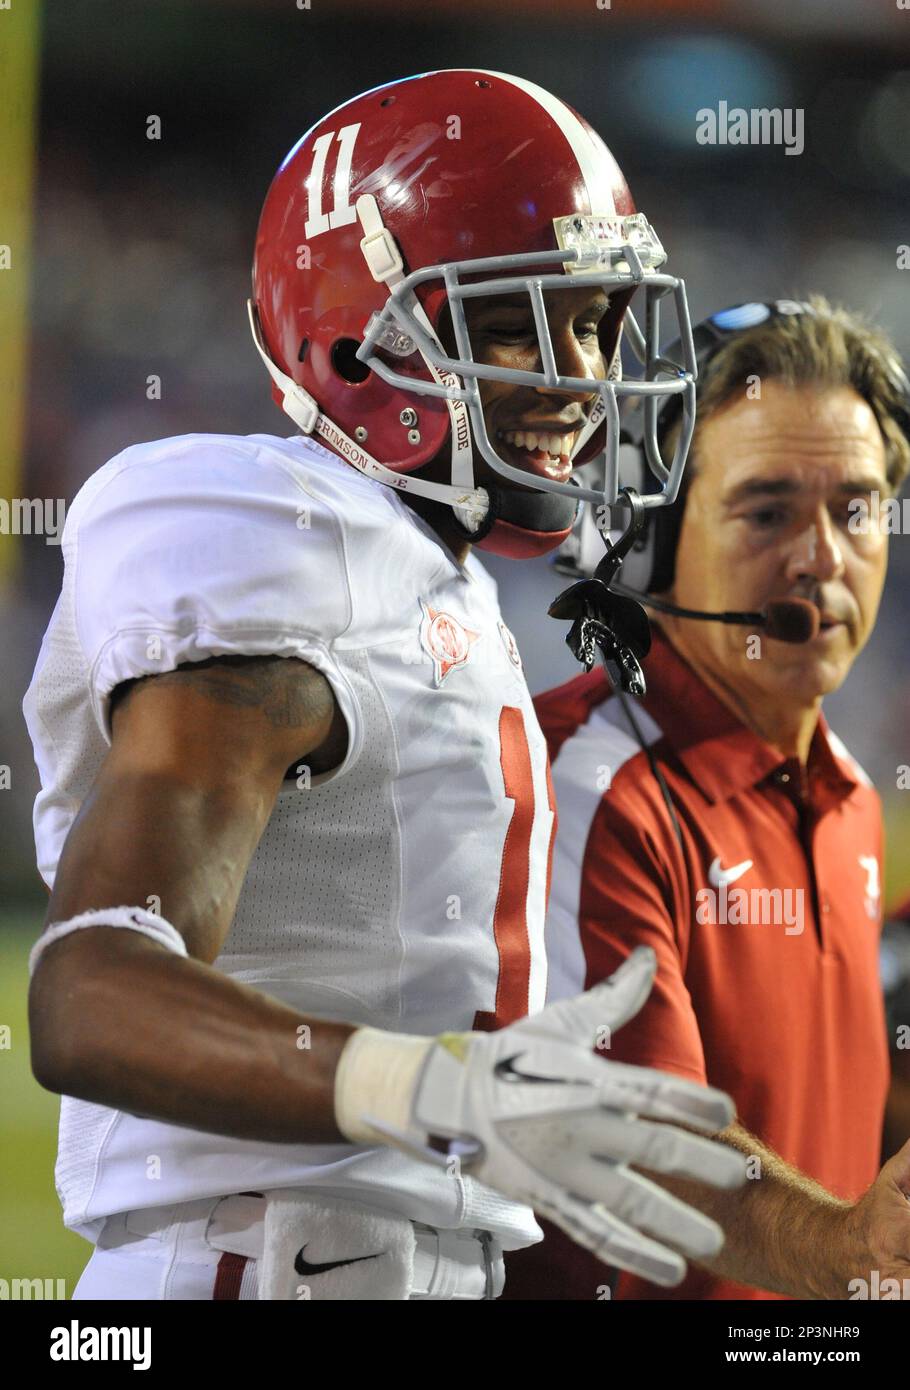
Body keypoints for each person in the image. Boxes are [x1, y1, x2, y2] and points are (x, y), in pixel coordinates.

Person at [23, 70, 744, 1302]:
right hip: (258, 1268)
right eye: (520, 326)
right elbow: (89, 993)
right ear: (360, 342)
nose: (581, 378)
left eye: (596, 322)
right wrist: (428, 1089)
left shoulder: (434, 578)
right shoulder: (286, 534)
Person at [506, 297, 910, 1300]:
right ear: (649, 539)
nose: (822, 556)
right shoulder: (581, 783)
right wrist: (857, 1250)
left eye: (856, 507)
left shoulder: (849, 794)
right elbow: (633, 1135)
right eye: (767, 509)